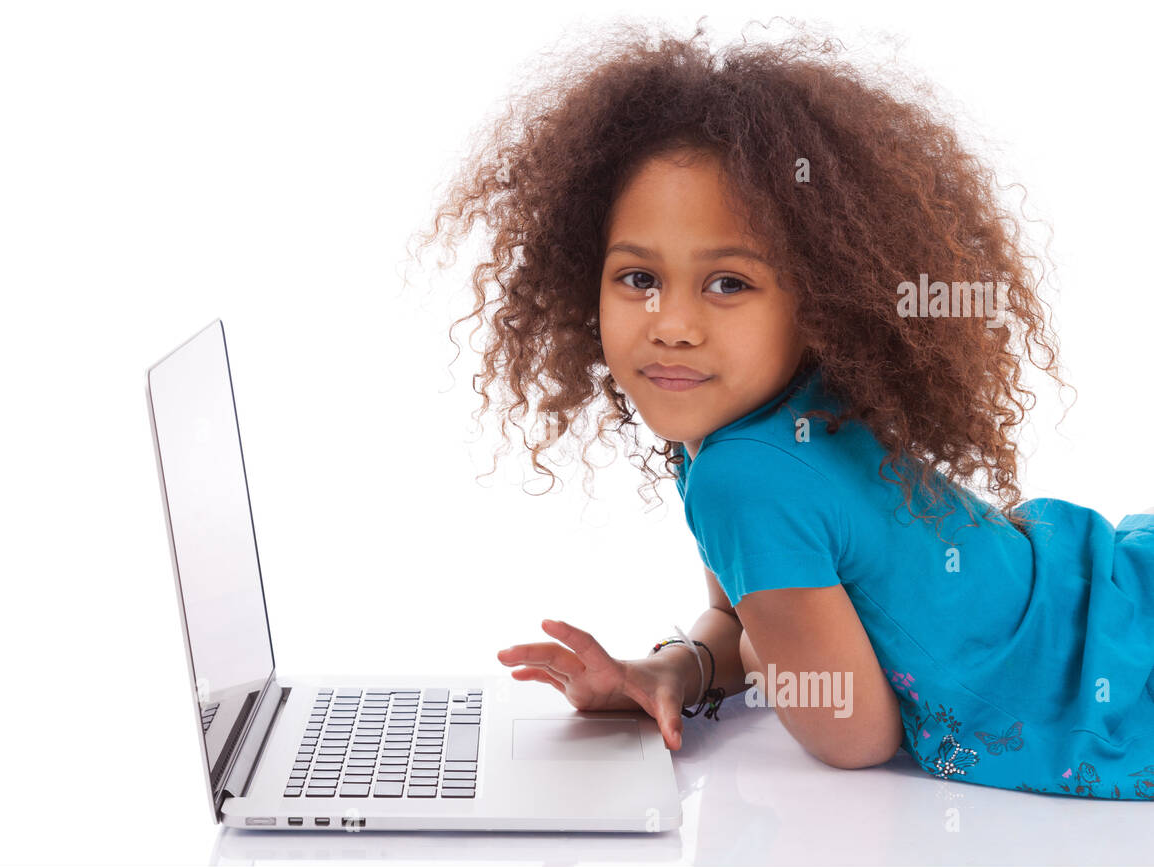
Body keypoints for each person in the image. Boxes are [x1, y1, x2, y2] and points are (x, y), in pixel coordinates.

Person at [409, 20, 1154, 799]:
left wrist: (774, 658)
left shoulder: (743, 475)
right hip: (1098, 592)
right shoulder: (737, 426)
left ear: (817, 302)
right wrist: (677, 668)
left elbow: (851, 733)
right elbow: (741, 623)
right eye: (637, 278)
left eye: (728, 282)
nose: (672, 323)